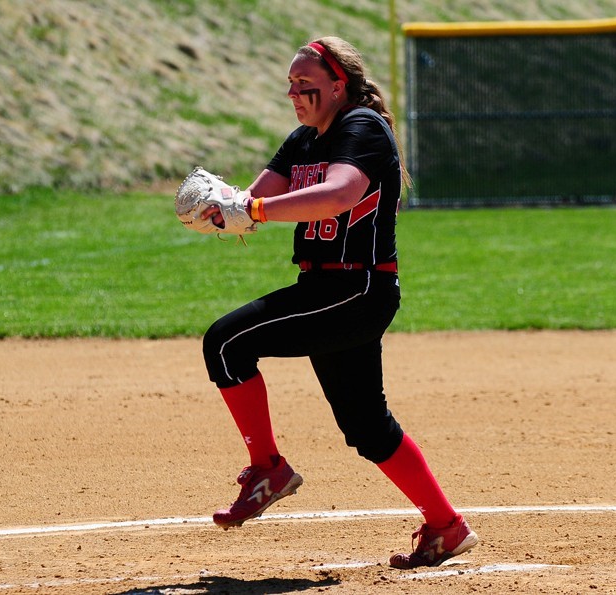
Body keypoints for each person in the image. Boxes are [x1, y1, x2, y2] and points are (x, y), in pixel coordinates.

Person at [199, 36, 478, 569]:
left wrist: (254, 210)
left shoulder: (361, 129)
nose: (296, 94)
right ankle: (446, 527)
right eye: (290, 86)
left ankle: (268, 470)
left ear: (338, 86)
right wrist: (223, 206)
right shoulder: (304, 139)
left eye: (306, 85)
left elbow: (339, 194)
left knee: (226, 342)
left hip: (356, 290)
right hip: (326, 291)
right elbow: (256, 196)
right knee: (368, 427)